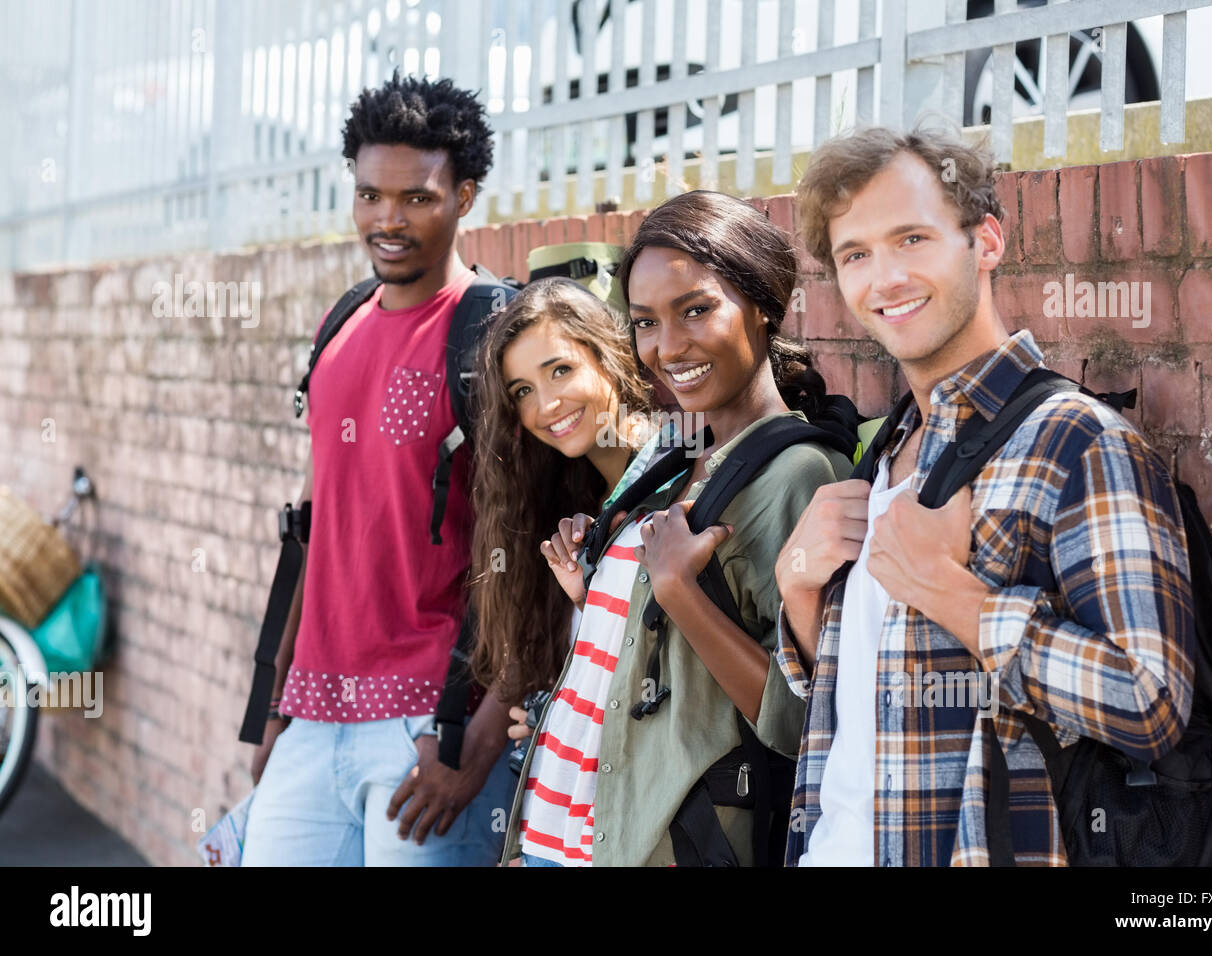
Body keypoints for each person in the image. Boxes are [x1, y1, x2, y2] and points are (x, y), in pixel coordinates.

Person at [775, 126, 1195, 866]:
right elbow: (866, 696)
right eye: (856, 255)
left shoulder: (1074, 441)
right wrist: (801, 596)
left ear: (987, 241)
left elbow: (1151, 700)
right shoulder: (885, 449)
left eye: (912, 239)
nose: (885, 278)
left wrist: (955, 597)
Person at [498, 191, 854, 867]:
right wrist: (599, 585)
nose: (668, 346)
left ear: (762, 306)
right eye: (646, 322)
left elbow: (802, 723)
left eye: (696, 310)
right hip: (555, 833)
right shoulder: (674, 455)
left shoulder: (799, 476)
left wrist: (677, 590)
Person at [241, 73, 516, 866]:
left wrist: (480, 736)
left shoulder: (493, 334)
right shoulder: (341, 323)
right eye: (370, 196)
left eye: (417, 199)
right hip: (312, 717)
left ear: (465, 196)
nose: (388, 221)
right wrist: (272, 707)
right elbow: (311, 526)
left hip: (430, 721)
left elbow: (533, 545)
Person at [468, 277, 653, 719]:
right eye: (523, 391)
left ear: (610, 354)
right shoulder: (583, 494)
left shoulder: (667, 478)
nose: (547, 404)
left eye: (560, 370)